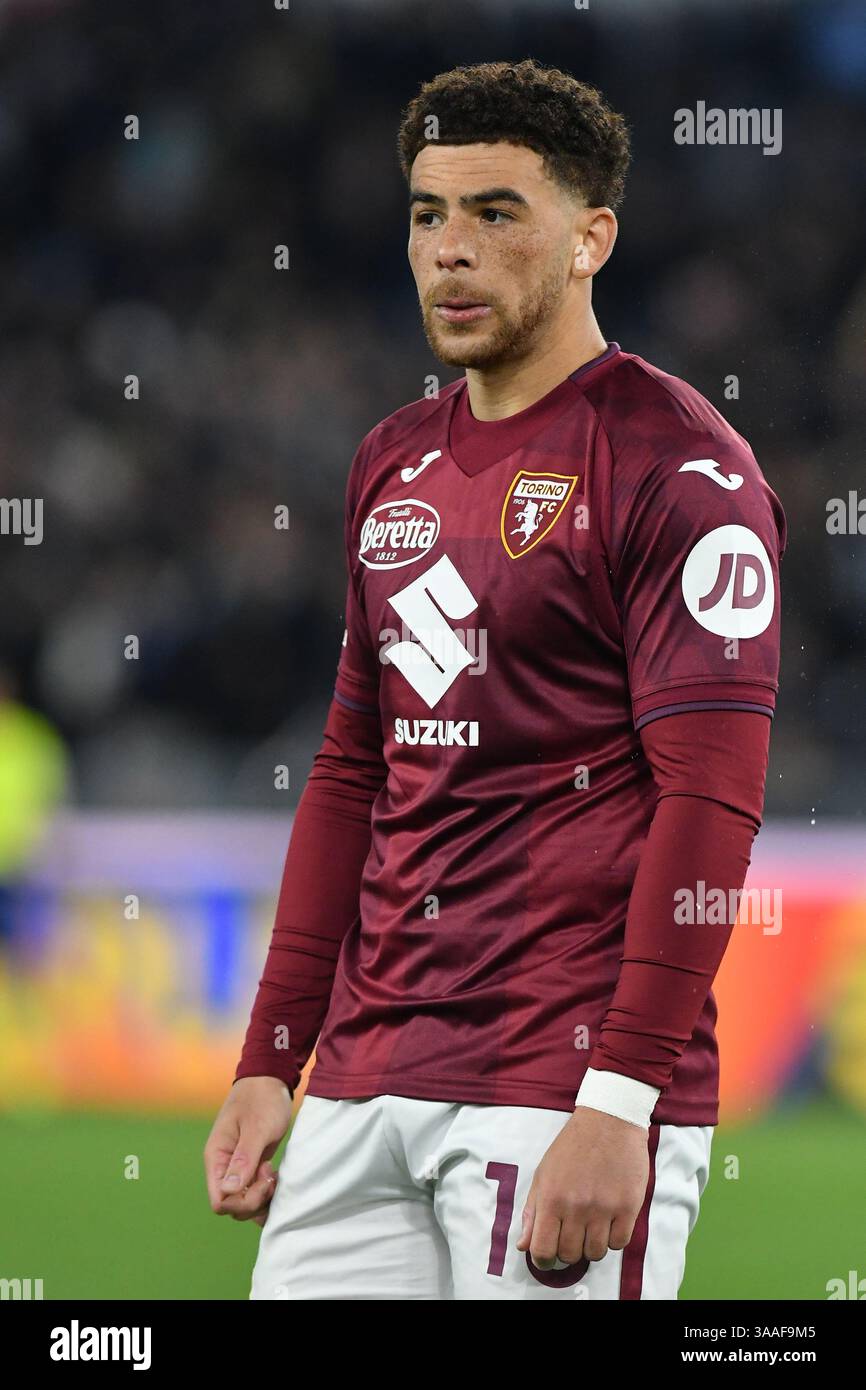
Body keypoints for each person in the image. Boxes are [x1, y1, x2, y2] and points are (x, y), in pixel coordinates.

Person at [204, 58, 785, 1300]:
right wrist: (273, 1053)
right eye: (426, 215)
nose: (448, 252)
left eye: (493, 213)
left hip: (554, 1086)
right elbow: (356, 770)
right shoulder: (391, 463)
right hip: (364, 1078)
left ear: (590, 239)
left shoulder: (682, 469)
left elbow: (710, 802)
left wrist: (619, 1096)